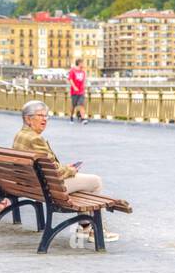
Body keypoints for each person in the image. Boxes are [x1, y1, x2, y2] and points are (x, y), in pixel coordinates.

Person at [12, 100, 117, 242]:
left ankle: (85, 227)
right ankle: (97, 231)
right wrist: (71, 170)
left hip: (32, 186)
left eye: (46, 116)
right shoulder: (35, 139)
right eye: (40, 116)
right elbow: (55, 171)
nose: (44, 119)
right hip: (47, 188)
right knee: (95, 181)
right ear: (28, 119)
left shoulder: (20, 135)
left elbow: (49, 167)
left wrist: (66, 170)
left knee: (83, 183)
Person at [69, 58, 88, 123]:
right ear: (79, 63)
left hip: (81, 91)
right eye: (82, 63)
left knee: (81, 104)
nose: (83, 64)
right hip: (74, 92)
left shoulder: (83, 72)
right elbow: (70, 79)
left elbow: (84, 81)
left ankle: (83, 119)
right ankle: (71, 117)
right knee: (73, 105)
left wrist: (84, 88)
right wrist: (74, 87)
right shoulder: (72, 70)